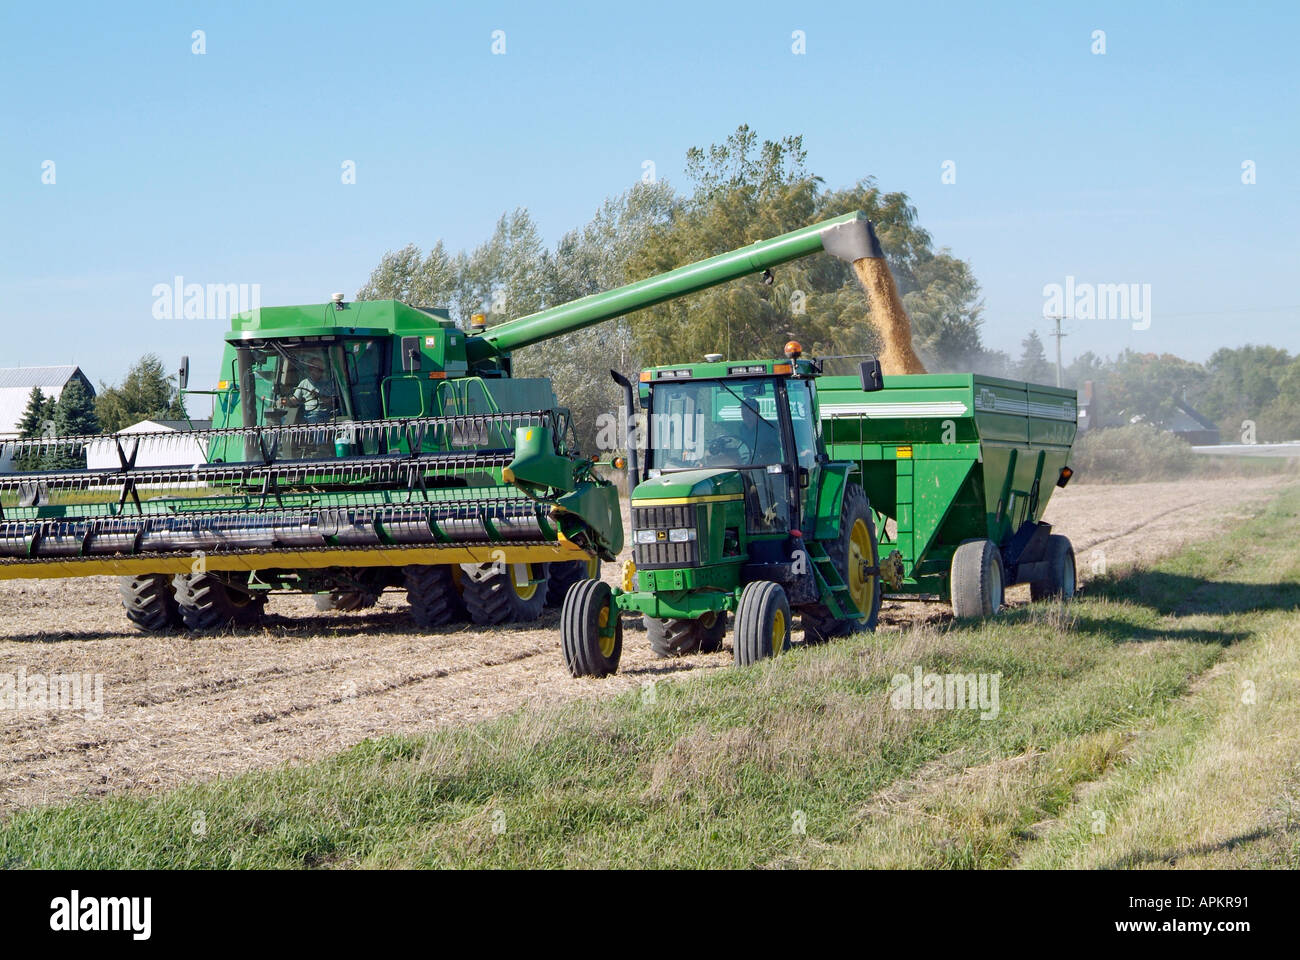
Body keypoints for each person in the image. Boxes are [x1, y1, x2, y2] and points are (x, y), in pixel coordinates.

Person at [287, 356, 340, 423]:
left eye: (321, 370)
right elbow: (295, 399)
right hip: (308, 414)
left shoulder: (328, 384)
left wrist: (319, 396)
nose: (320, 372)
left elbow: (334, 401)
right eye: (316, 368)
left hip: (325, 414)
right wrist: (286, 401)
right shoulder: (304, 383)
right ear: (310, 369)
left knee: (315, 421)